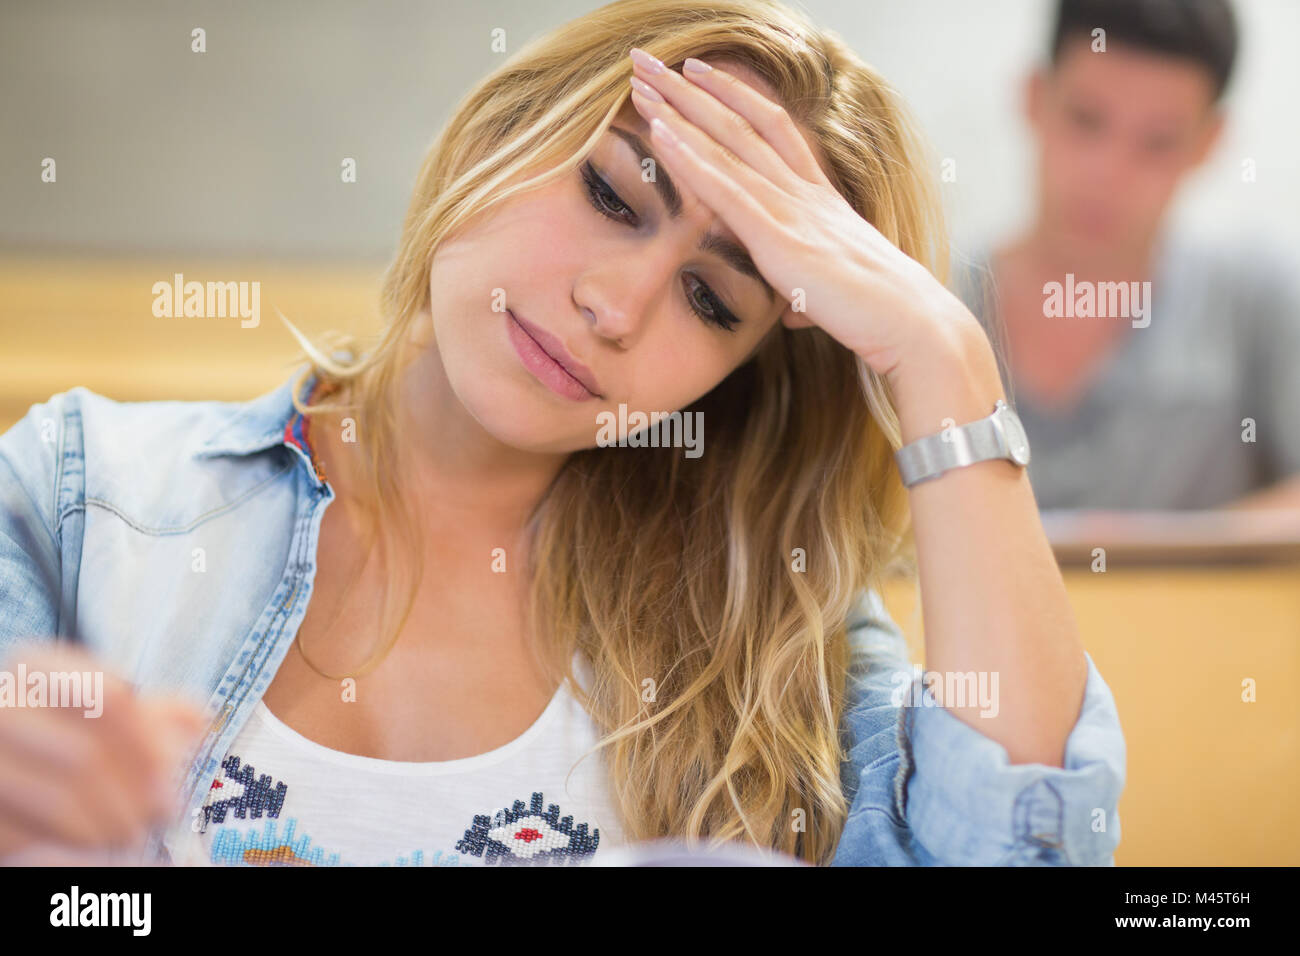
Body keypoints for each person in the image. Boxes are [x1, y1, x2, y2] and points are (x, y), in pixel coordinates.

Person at [0, 0, 1124, 867]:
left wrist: (943, 354)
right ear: (504, 123)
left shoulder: (775, 643)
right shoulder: (80, 497)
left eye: (710, 301)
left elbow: (1011, 852)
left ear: (731, 379)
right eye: (612, 193)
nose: (616, 305)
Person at [955, 0, 1300, 511]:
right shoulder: (932, 302)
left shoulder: (1254, 298)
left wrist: (1141, 554)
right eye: (1086, 120)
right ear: (1033, 98)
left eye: (1157, 142)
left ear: (1209, 143)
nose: (1108, 173)